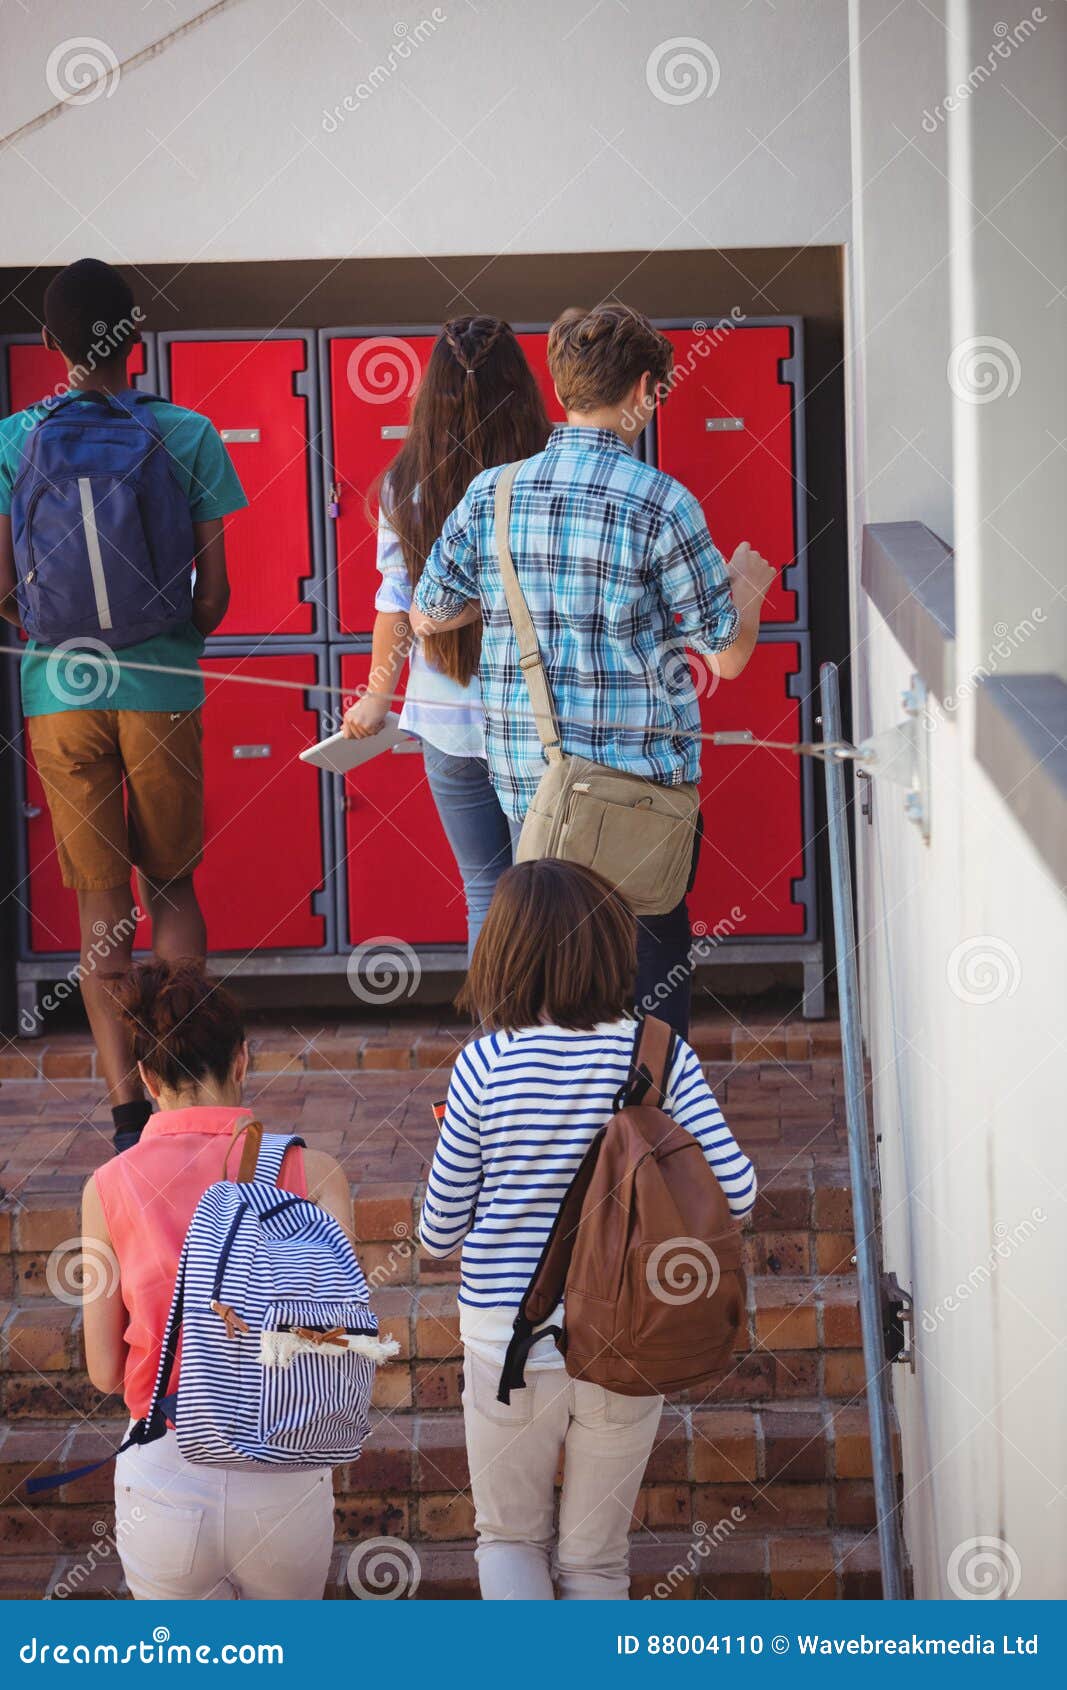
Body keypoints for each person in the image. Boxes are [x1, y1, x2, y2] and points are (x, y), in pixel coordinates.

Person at [410, 304, 777, 1035]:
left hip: (535, 786)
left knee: (553, 976)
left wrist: (520, 600)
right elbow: (727, 656)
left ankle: (559, 1122)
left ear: (562, 388)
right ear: (643, 390)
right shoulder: (661, 501)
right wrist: (751, 588)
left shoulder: (494, 492)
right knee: (649, 963)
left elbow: (427, 614)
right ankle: (640, 1123)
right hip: (642, 789)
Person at [418, 859, 756, 1600]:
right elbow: (738, 1189)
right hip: (630, 1336)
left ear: (502, 953)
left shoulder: (484, 1064)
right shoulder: (660, 1054)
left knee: (509, 1539)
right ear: (610, 945)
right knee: (596, 1563)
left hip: (507, 1342)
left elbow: (439, 1232)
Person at [0, 258, 246, 1153]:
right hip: (161, 688)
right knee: (172, 884)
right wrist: (171, 638)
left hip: (60, 696)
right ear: (136, 340)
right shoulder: (187, 433)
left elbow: (4, 590)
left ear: (48, 346)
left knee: (102, 902)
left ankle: (124, 1114)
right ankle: (191, 1087)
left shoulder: (12, 441)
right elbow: (214, 596)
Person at [81, 959, 353, 1600]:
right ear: (243, 1059)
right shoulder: (315, 1174)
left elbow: (103, 1371)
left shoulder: (107, 1187)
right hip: (288, 1459)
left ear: (145, 1076)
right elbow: (339, 1339)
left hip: (167, 1471)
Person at [341, 316, 551, 957]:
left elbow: (395, 603)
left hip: (446, 718)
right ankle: (550, 1047)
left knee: (486, 889)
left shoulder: (406, 480)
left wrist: (379, 697)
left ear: (429, 390)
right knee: (543, 892)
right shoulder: (546, 468)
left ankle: (496, 1048)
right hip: (540, 719)